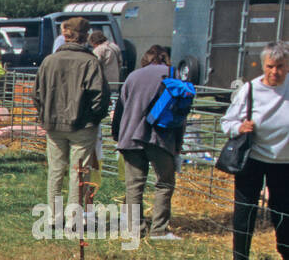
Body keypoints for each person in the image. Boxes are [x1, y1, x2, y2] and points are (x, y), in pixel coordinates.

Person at [34, 17, 109, 229]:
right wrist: (93, 119)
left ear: (65, 36)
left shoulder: (49, 61)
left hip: (54, 125)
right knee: (79, 174)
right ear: (85, 37)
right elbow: (100, 96)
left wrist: (44, 115)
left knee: (55, 172)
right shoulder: (90, 62)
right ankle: (73, 221)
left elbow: (36, 94)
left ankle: (53, 219)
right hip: (82, 126)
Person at [220, 41, 289, 260]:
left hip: (284, 161)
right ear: (263, 66)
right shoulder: (249, 90)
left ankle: (287, 257)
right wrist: (239, 128)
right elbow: (226, 122)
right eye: (270, 66)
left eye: (280, 66)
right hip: (252, 158)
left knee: (283, 211)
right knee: (245, 209)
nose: (274, 72)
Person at [111, 46, 184, 242]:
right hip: (160, 138)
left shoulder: (133, 77)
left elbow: (120, 108)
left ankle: (136, 229)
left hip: (130, 136)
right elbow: (180, 113)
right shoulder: (173, 75)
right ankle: (159, 231)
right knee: (164, 183)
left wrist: (117, 135)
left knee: (134, 185)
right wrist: (178, 145)